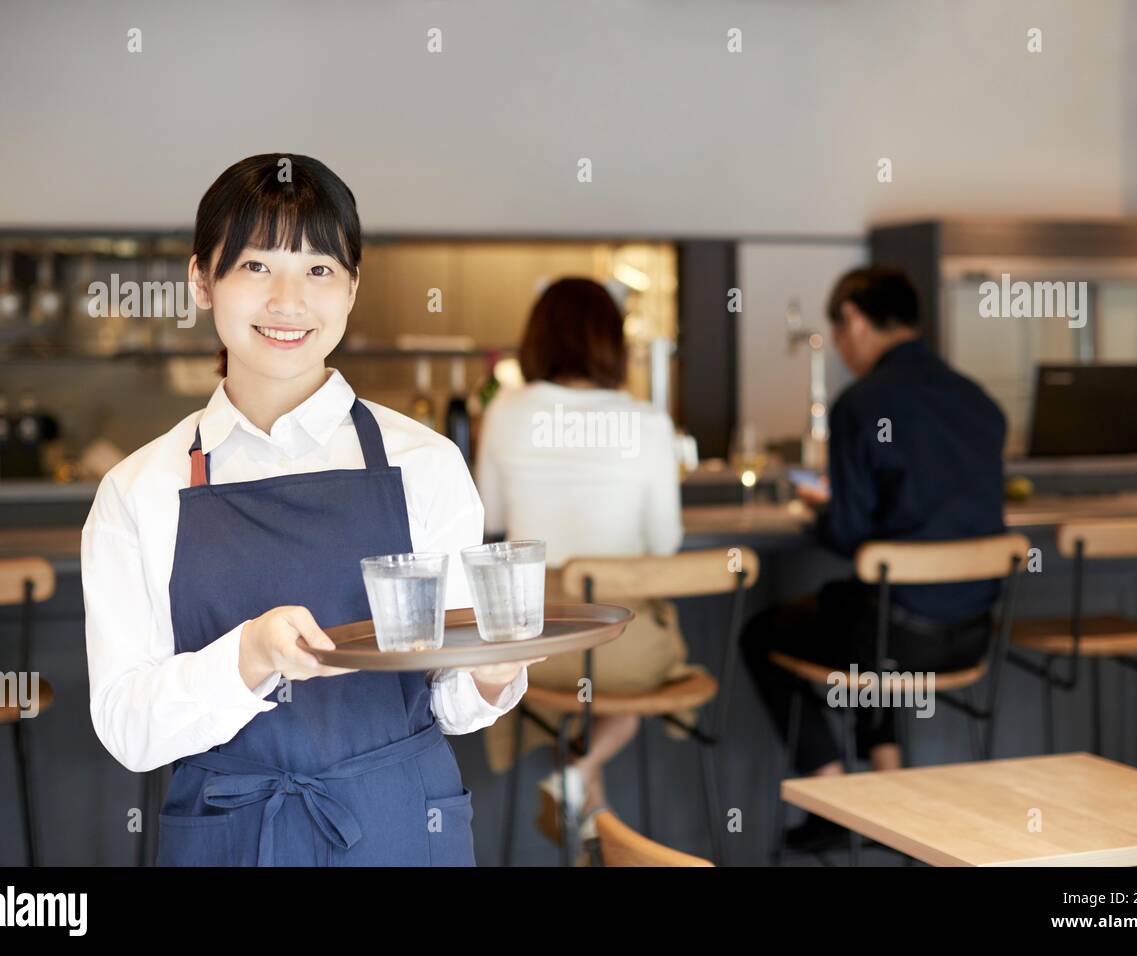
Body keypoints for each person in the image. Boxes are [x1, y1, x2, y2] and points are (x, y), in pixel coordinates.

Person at [82, 153, 540, 866]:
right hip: (228, 834)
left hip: (399, 826)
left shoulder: (424, 466)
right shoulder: (139, 491)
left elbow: (451, 703)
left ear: (353, 287)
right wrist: (249, 656)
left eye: (319, 270)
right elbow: (126, 728)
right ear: (202, 281)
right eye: (257, 267)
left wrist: (497, 669)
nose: (288, 301)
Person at [740, 266, 1006, 851]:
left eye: (838, 332)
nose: (840, 347)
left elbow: (849, 534)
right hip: (973, 633)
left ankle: (835, 799)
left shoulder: (861, 405)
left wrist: (823, 509)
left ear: (855, 319)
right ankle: (890, 788)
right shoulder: (978, 400)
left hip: (896, 634)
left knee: (763, 634)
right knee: (867, 615)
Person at [475, 277, 693, 852]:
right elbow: (665, 544)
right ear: (613, 344)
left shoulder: (506, 413)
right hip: (623, 653)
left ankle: (587, 796)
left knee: (575, 693)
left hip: (532, 649)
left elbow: (489, 518)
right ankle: (582, 776)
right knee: (645, 668)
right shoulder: (648, 423)